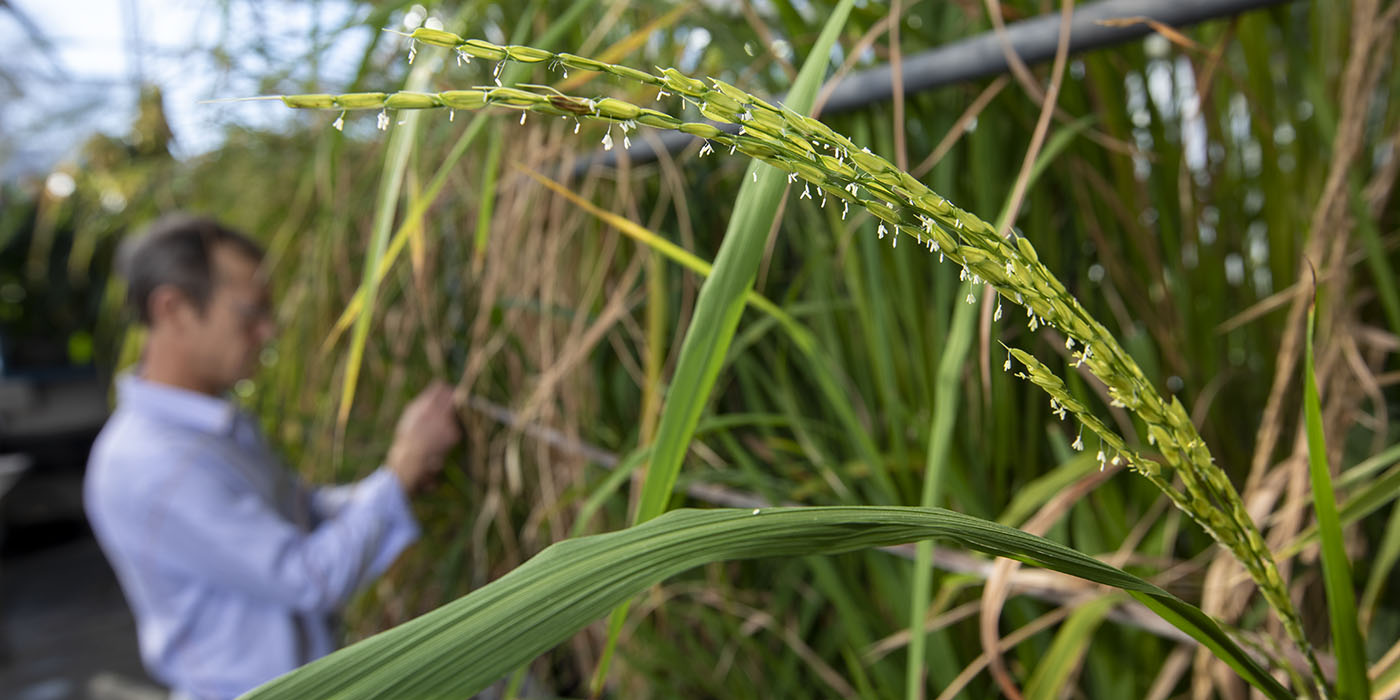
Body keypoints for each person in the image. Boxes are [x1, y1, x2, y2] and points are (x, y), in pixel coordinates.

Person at [83, 214, 462, 699]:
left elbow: (303, 511)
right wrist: (399, 470)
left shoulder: (212, 429)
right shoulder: (152, 464)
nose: (268, 331)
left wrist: (399, 479)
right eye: (250, 313)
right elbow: (309, 577)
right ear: (173, 309)